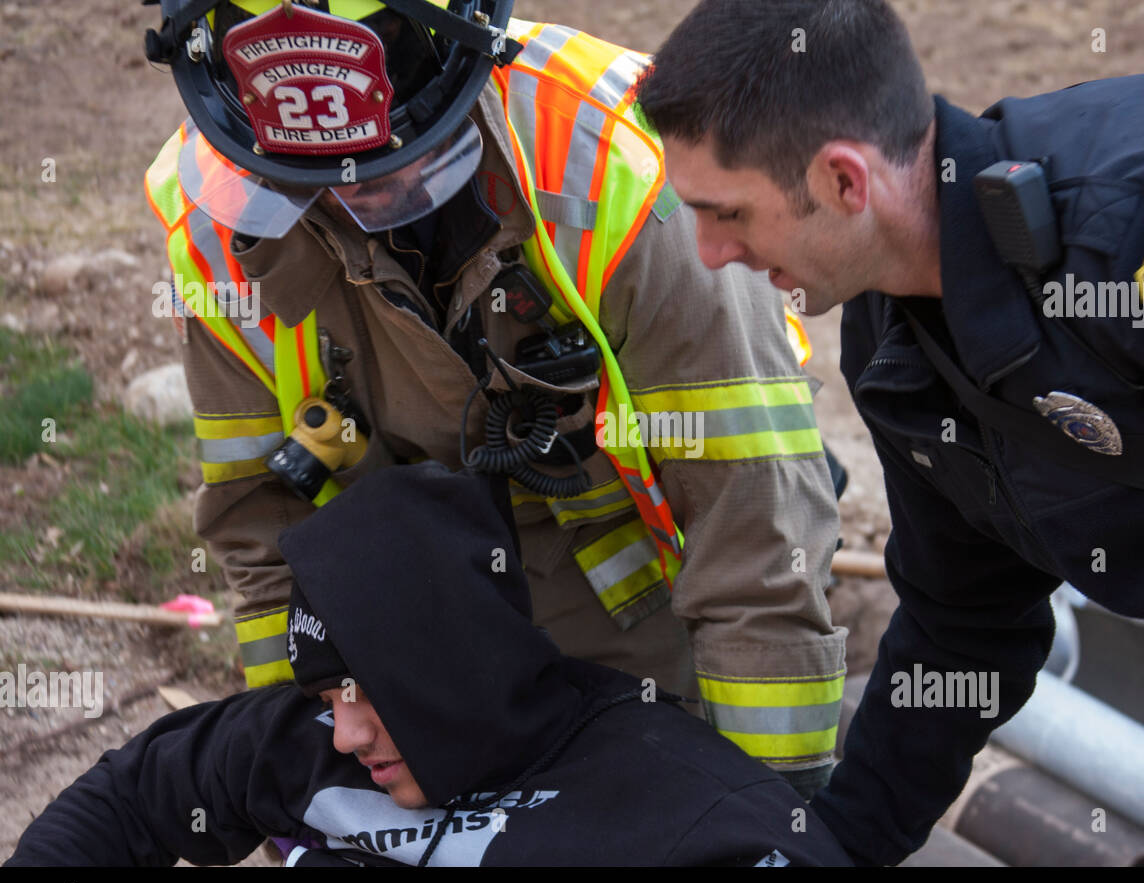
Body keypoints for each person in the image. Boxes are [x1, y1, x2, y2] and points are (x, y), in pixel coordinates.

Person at [636, 0, 1144, 864]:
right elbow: (967, 625)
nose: (709, 252)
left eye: (726, 213)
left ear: (845, 180)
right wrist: (833, 848)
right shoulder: (895, 347)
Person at [141, 0, 847, 794]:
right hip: (420, 638)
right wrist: (299, 768)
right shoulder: (215, 228)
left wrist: (767, 818)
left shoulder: (620, 174)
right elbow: (262, 530)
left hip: (645, 609)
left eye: (399, 174)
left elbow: (752, 541)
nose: (362, 205)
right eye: (314, 189)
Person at [4, 463, 851, 867]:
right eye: (329, 690)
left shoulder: (671, 801)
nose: (344, 732)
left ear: (460, 663)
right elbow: (130, 794)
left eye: (369, 688)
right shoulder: (313, 740)